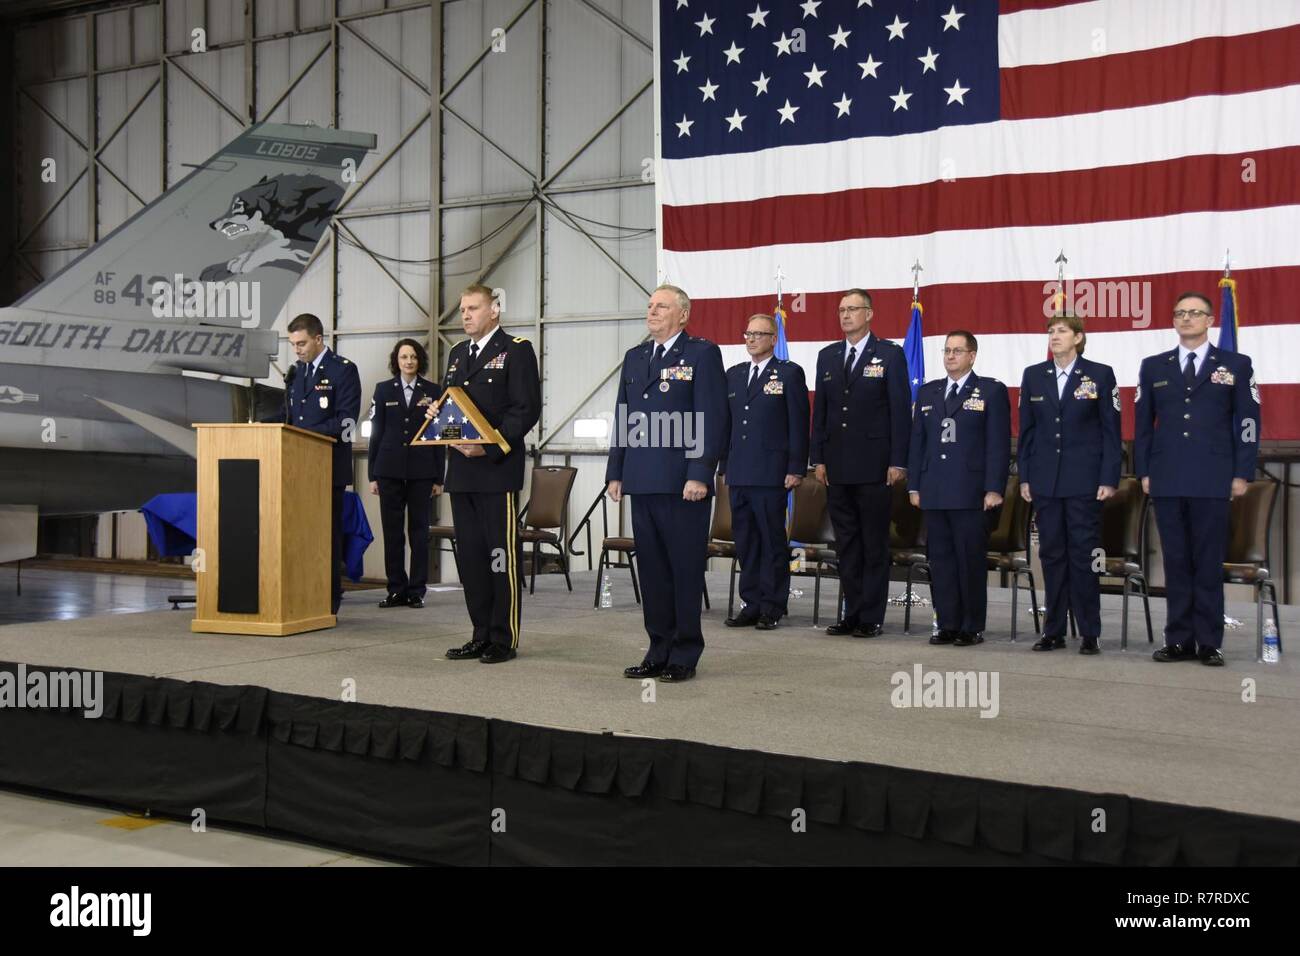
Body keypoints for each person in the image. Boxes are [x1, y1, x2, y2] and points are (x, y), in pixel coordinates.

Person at [606, 284, 726, 682]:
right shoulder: (636, 357)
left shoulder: (701, 354)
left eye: (662, 306)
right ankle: (658, 649)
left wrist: (700, 472)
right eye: (650, 305)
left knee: (683, 569)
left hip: (681, 483)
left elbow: (711, 416)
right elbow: (624, 416)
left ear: (683, 315)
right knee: (654, 573)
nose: (652, 311)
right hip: (641, 480)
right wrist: (616, 471)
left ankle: (684, 652)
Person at [1135, 292, 1260, 667]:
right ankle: (1178, 639)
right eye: (1179, 313)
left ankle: (1208, 641)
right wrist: (1144, 470)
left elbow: (1248, 422)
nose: (1186, 318)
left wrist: (1242, 471)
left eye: (1194, 313)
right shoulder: (1154, 366)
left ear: (1209, 321)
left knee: (1206, 560)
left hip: (1213, 476)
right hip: (1168, 476)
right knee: (1175, 560)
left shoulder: (1236, 363)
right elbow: (1142, 427)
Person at [434, 285, 541, 664]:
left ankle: (503, 637)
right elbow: (456, 408)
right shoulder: (458, 353)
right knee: (474, 559)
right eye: (462, 309)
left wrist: (491, 446)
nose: (465, 315)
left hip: (496, 470)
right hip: (462, 470)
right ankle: (479, 633)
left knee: (499, 556)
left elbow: (525, 410)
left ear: (494, 310)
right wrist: (438, 417)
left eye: (473, 308)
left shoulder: (516, 349)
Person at [809, 288, 911, 638]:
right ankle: (851, 612)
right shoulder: (828, 355)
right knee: (846, 544)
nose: (845, 315)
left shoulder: (889, 355)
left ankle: (871, 616)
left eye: (853, 309)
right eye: (841, 310)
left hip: (875, 465)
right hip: (836, 466)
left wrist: (898, 460)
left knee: (873, 543)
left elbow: (900, 411)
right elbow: (820, 411)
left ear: (869, 314)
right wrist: (817, 458)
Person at [1017, 316, 1121, 654]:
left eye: (1061, 331)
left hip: (1085, 482)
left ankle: (1090, 630)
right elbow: (1028, 432)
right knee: (1051, 555)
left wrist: (1108, 477)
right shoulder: (1034, 375)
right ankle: (1054, 630)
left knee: (1085, 555)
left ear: (1078, 337)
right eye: (1050, 331)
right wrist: (1026, 476)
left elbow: (1110, 431)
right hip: (1046, 480)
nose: (1054, 336)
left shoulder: (1100, 374)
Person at [907, 331, 1010, 646]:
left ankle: (971, 625)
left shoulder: (990, 391)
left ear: (972, 355)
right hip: (935, 489)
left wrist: (994, 488)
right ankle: (947, 623)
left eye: (957, 351)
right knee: (941, 562)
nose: (950, 356)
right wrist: (914, 484)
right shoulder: (929, 393)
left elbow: (998, 444)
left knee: (969, 561)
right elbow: (918, 443)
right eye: (947, 350)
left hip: (971, 491)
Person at [718, 314, 809, 630]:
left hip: (772, 473)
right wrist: (724, 466)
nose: (752, 339)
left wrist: (796, 467)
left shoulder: (788, 373)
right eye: (748, 333)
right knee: (746, 541)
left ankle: (772, 605)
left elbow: (798, 423)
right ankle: (751, 603)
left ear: (774, 338)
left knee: (771, 542)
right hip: (740, 472)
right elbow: (727, 424)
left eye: (759, 333)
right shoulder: (734, 375)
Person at [284, 312, 361, 616]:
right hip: (295, 468)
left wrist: (304, 435)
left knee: (325, 535)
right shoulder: (296, 373)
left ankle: (327, 597)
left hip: (327, 467)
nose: (298, 349)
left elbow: (345, 422)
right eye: (293, 344)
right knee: (299, 532)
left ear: (318, 339)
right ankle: (300, 592)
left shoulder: (342, 370)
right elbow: (288, 417)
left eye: (302, 343)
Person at [367, 338, 445, 609]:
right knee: (392, 533)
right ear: (396, 361)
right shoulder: (383, 390)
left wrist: (439, 478)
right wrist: (372, 475)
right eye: (404, 357)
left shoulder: (433, 390)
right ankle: (396, 589)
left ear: (419, 360)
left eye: (413, 356)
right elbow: (376, 432)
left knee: (419, 533)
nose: (409, 361)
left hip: (422, 471)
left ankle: (416, 590)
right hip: (388, 470)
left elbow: (438, 435)